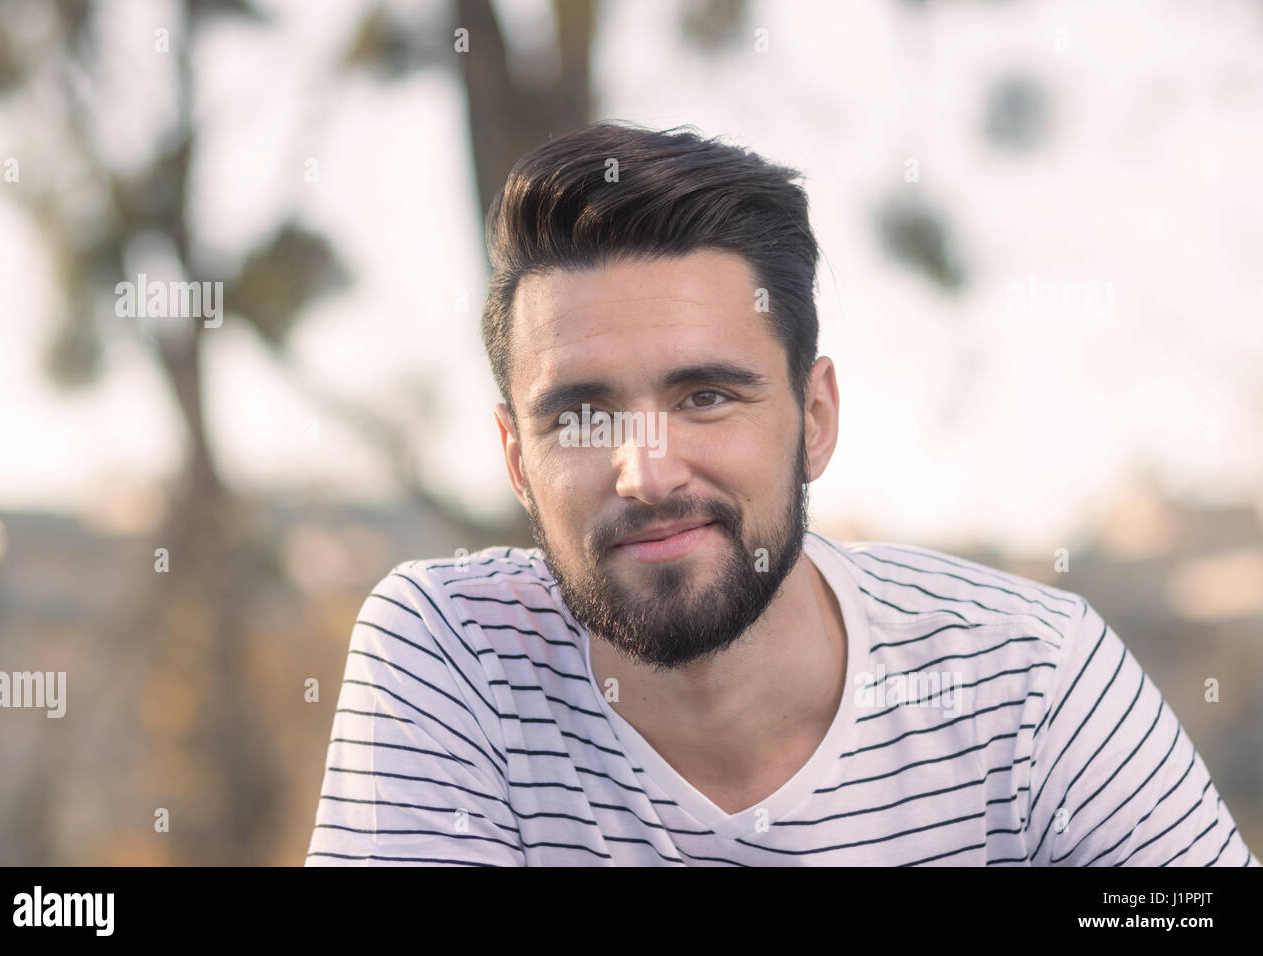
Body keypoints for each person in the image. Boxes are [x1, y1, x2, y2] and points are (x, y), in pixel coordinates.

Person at [305, 121, 1257, 866]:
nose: (647, 474)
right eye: (582, 416)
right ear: (517, 460)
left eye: (706, 397)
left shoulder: (1031, 680)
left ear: (817, 417)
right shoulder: (454, 655)